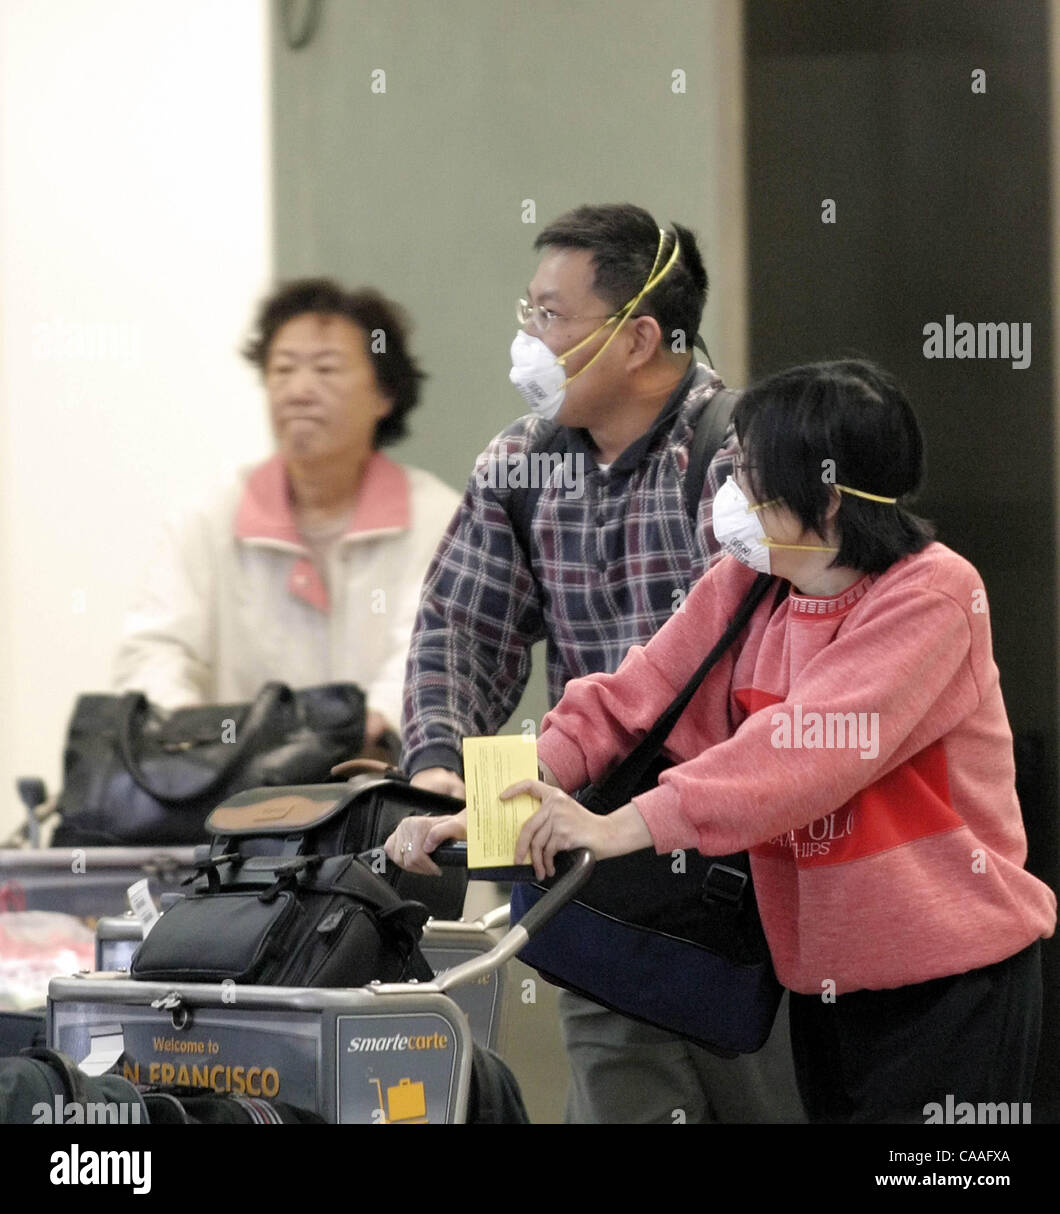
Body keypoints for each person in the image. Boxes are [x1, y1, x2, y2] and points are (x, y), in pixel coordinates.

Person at [394, 359, 1057, 1123]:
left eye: (751, 474)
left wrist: (618, 826)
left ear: (829, 497)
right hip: (820, 985)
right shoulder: (751, 583)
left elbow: (797, 755)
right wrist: (485, 809)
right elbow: (626, 701)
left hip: (949, 985)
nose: (732, 493)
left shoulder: (934, 594)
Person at [400, 202, 805, 1123]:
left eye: (551, 317)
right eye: (527, 312)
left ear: (640, 339)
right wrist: (437, 767)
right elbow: (461, 630)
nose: (527, 341)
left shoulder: (740, 460)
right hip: (593, 882)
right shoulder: (521, 463)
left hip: (740, 888)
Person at [114, 278, 459, 755]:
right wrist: (195, 736)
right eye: (282, 369)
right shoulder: (210, 518)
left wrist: (367, 727)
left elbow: (435, 653)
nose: (298, 390)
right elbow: (155, 650)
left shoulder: (436, 518)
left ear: (384, 395)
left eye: (326, 368)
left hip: (380, 779)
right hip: (229, 791)